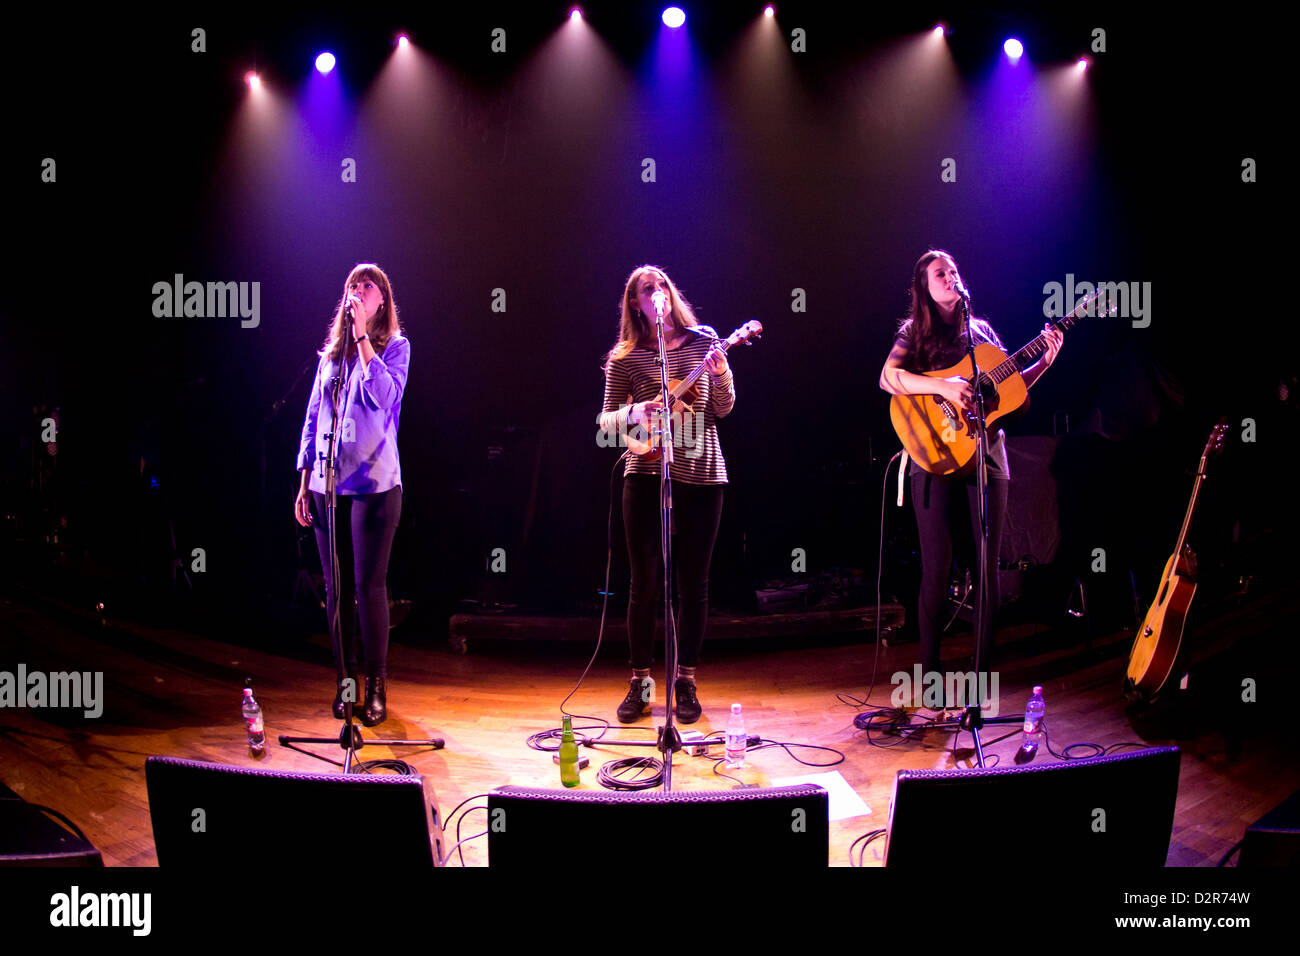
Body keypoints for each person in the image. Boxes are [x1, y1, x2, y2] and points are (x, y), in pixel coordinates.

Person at [879, 250, 1062, 707]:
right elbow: (888, 378)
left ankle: (980, 680)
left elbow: (1009, 394)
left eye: (955, 271)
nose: (950, 277)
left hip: (986, 451)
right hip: (931, 452)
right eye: (940, 273)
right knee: (937, 568)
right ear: (924, 286)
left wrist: (1044, 363)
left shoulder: (981, 334)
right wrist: (942, 387)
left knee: (987, 566)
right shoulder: (913, 335)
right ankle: (932, 675)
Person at [598, 266, 735, 724]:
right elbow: (606, 422)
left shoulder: (705, 340)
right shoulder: (625, 357)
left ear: (670, 293)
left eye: (660, 285)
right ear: (635, 304)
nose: (655, 293)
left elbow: (722, 408)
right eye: (645, 289)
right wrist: (640, 408)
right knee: (644, 584)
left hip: (702, 471)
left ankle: (687, 681)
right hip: (645, 470)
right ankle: (640, 684)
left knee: (693, 584)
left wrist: (722, 372)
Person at [294, 264, 409, 726]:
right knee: (336, 589)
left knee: (368, 586)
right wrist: (304, 482)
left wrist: (363, 338)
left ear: (382, 300)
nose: (359, 290)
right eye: (353, 285)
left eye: (369, 286)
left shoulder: (396, 348)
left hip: (376, 486)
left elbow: (385, 396)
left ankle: (377, 685)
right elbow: (311, 420)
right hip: (326, 485)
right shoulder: (329, 357)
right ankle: (346, 683)